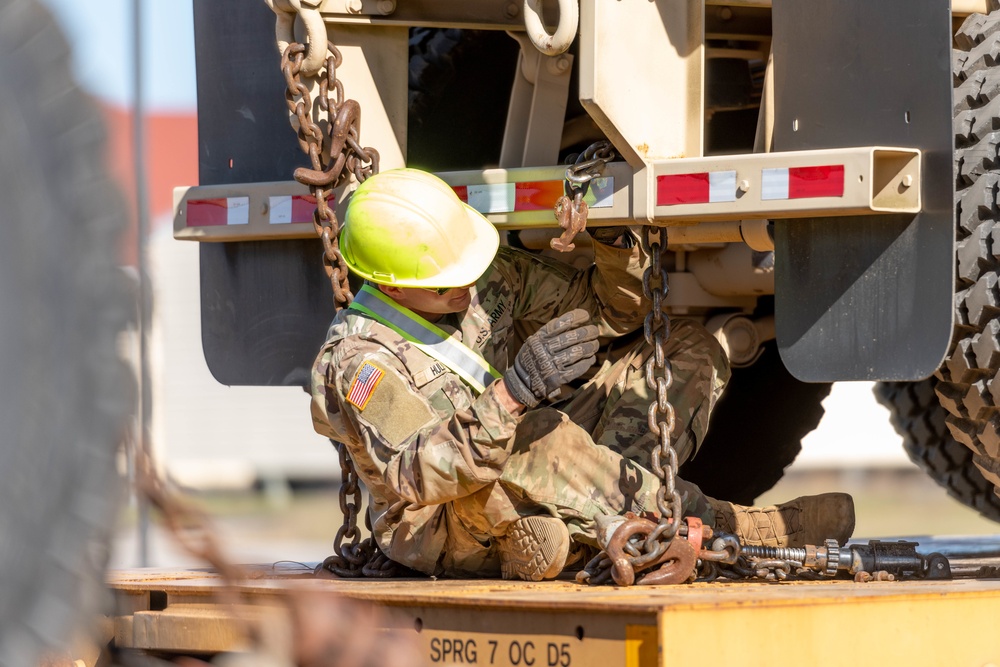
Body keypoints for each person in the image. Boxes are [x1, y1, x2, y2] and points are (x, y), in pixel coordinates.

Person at [310, 168, 855, 581]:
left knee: (684, 354)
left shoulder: (476, 277)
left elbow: (609, 314)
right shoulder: (360, 363)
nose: (465, 289)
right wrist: (512, 393)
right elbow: (416, 477)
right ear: (390, 287)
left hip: (527, 456)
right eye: (444, 285)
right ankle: (723, 529)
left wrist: (614, 240)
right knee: (536, 435)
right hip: (444, 517)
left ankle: (586, 535)